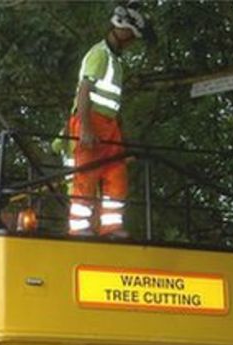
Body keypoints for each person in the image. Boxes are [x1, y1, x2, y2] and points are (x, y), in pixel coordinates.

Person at [61, 1, 154, 237]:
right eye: (132, 35)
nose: (133, 41)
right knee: (86, 175)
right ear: (122, 29)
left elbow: (111, 105)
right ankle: (79, 228)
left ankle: (111, 227)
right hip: (90, 121)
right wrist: (86, 129)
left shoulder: (115, 61)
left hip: (108, 126)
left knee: (116, 173)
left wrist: (124, 141)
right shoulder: (99, 55)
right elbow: (84, 91)